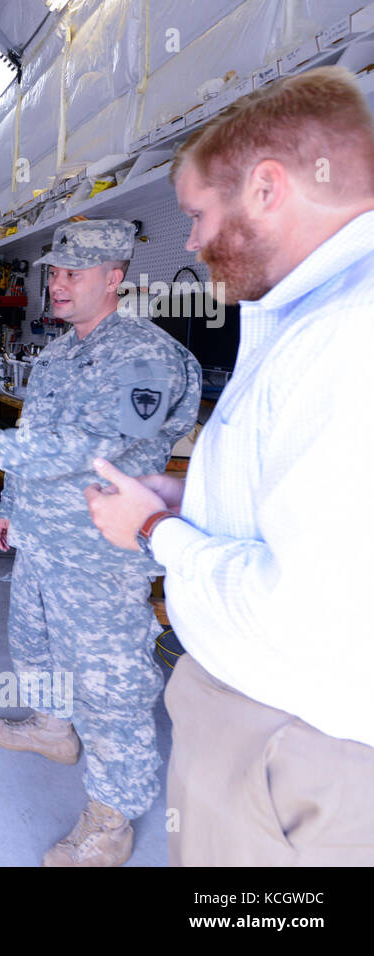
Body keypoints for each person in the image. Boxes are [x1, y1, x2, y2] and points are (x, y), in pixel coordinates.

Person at [84, 66, 374, 865]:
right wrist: (187, 491)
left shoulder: (350, 334)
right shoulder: (301, 316)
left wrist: (153, 526)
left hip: (293, 745)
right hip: (266, 724)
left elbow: (306, 609)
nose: (189, 242)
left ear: (270, 188)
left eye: (196, 214)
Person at [0, 219, 201, 866]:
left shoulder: (143, 357)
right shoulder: (60, 352)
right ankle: (51, 728)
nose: (58, 284)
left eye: (73, 273)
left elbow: (86, 448)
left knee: (109, 684)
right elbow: (34, 437)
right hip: (41, 540)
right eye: (55, 272)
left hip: (100, 553)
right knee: (32, 641)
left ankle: (111, 817)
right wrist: (10, 504)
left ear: (114, 278)